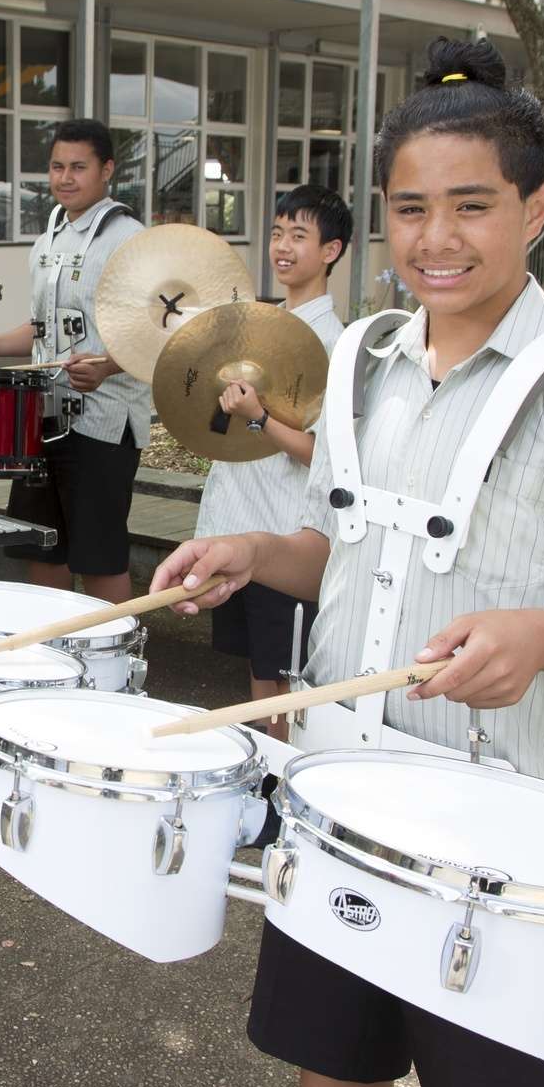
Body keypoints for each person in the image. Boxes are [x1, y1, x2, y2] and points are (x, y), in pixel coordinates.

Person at [153, 36, 544, 1087]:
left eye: (471, 206)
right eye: (409, 209)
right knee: (336, 1068)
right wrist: (255, 551)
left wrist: (542, 637)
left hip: (500, 834)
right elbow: (338, 549)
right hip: (343, 789)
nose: (435, 240)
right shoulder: (360, 366)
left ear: (537, 207)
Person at [0, 119, 148, 605]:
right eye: (57, 166)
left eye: (79, 167)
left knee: (99, 557)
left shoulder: (131, 240)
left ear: (107, 171)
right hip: (43, 418)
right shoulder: (48, 240)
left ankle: (115, 662)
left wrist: (107, 367)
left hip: (103, 422)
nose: (65, 177)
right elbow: (40, 328)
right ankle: (57, 654)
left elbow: (157, 332)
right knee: (44, 547)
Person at [195, 185, 350, 720]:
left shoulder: (335, 344)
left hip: (286, 536)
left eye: (299, 236)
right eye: (278, 233)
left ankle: (281, 790)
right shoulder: (262, 325)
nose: (282, 246)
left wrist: (260, 418)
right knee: (257, 674)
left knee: (280, 683)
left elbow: (328, 459)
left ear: (330, 251)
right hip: (238, 519)